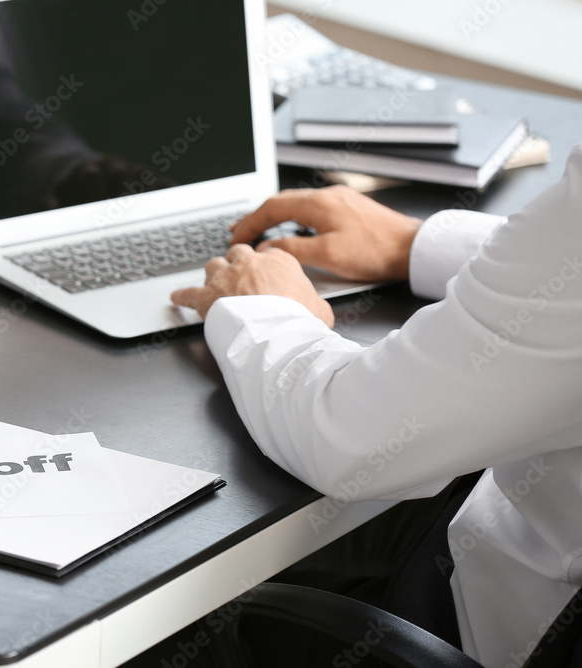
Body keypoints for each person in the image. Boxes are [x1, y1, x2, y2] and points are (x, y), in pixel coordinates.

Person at [170, 146, 582, 668]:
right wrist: (418, 246)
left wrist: (263, 308)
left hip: (501, 627)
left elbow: (350, 440)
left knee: (172, 623)